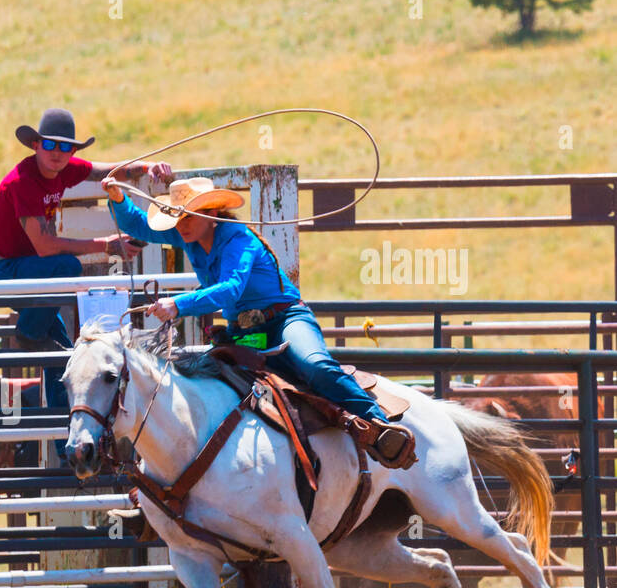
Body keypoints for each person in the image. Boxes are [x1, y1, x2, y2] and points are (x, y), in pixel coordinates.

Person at [104, 176, 416, 467]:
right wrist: (117, 198)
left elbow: (230, 289)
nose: (181, 225)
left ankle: (381, 427)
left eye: (189, 216)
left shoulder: (238, 239)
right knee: (202, 385)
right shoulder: (190, 235)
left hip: (283, 319)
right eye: (178, 218)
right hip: (243, 332)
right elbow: (138, 224)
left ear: (211, 213)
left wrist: (178, 305)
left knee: (314, 365)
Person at [0, 107, 171, 413]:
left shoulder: (64, 171)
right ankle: (28, 334)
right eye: (50, 145)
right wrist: (107, 247)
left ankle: (65, 442)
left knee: (62, 355)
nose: (57, 153)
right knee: (66, 267)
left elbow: (107, 172)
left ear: (72, 151)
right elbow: (45, 247)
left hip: (32, 273)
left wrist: (147, 167)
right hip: (1, 270)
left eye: (65, 146)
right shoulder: (22, 182)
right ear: (35, 145)